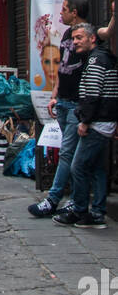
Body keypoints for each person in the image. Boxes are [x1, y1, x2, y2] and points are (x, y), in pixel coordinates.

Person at [29, 0, 90, 218]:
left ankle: (53, 199)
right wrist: (54, 94)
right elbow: (62, 67)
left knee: (67, 153)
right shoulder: (67, 34)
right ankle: (74, 199)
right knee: (69, 153)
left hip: (76, 103)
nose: (61, 13)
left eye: (64, 9)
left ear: (74, 12)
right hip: (63, 100)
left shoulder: (87, 36)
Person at [52, 22, 117, 229]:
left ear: (92, 39)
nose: (75, 42)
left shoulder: (97, 60)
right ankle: (97, 212)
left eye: (79, 38)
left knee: (78, 166)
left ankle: (80, 210)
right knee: (96, 167)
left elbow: (92, 95)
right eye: (74, 38)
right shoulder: (98, 58)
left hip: (98, 122)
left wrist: (85, 122)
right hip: (103, 120)